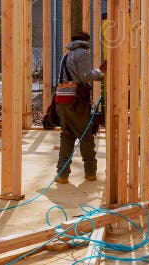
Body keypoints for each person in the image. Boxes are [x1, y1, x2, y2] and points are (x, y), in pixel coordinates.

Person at [55, 32, 106, 184]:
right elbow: (85, 76)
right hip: (75, 101)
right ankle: (90, 173)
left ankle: (62, 175)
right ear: (86, 42)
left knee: (67, 136)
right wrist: (101, 72)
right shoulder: (82, 52)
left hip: (61, 100)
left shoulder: (67, 54)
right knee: (85, 136)